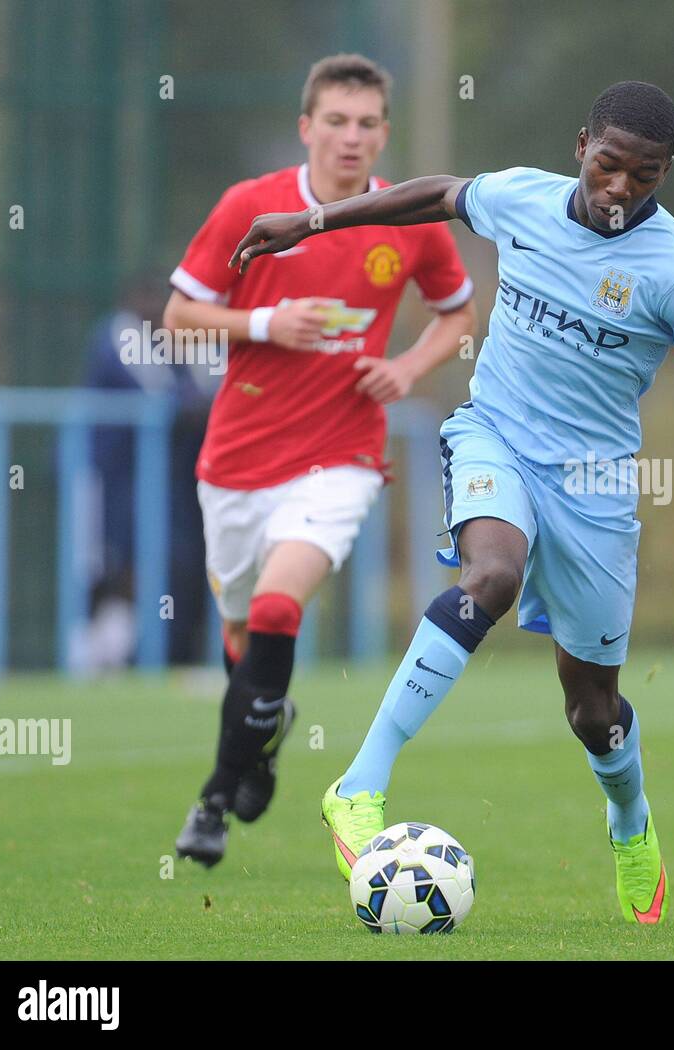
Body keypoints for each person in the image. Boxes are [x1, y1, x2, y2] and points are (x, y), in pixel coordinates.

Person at [229, 81, 674, 923]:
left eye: (645, 175)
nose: (620, 188)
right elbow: (437, 196)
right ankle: (359, 786)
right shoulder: (522, 197)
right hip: (496, 437)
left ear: (667, 172)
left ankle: (629, 820)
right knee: (492, 574)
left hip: (594, 487)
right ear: (581, 146)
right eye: (607, 165)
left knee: (593, 711)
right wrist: (312, 222)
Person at [170, 54, 478, 867]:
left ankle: (213, 800)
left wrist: (407, 369)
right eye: (336, 121)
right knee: (243, 630)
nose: (351, 137)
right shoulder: (252, 205)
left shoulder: (406, 217)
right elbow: (178, 316)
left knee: (278, 608)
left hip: (342, 455)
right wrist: (266, 323)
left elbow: (456, 312)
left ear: (384, 134)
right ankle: (264, 729)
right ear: (306, 127)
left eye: (367, 123)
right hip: (236, 458)